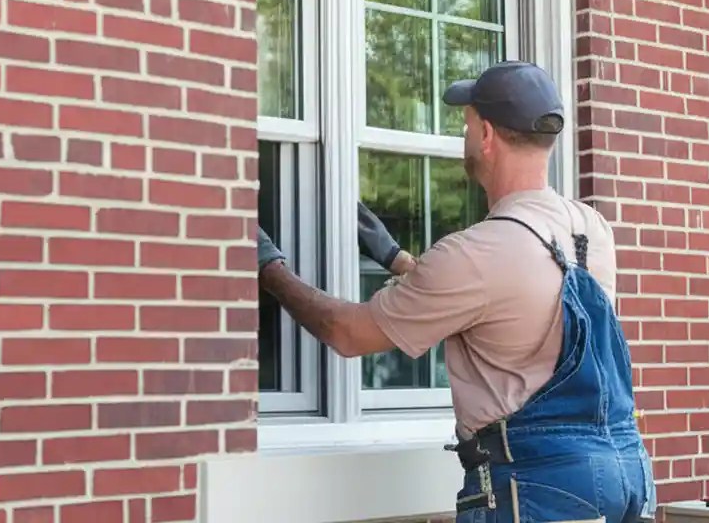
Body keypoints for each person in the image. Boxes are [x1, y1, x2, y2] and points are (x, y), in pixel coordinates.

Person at [256, 60, 656, 523]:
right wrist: (401, 261)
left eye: (466, 126)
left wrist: (269, 266)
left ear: (486, 135)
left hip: (538, 485)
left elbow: (346, 332)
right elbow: (510, 299)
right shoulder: (592, 229)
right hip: (625, 473)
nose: (464, 138)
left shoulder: (477, 252)